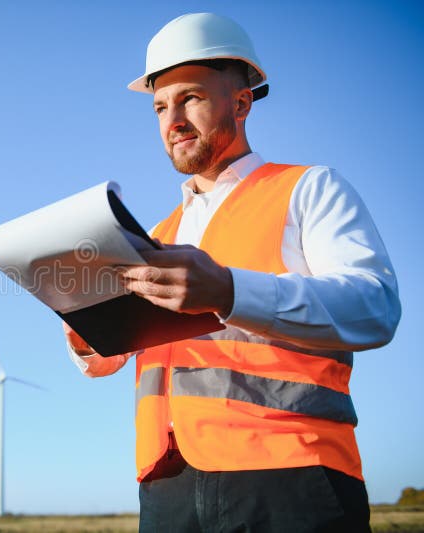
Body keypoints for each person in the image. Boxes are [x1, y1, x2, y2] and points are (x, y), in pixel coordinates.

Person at [63, 12, 401, 532]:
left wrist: (229, 290)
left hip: (289, 472)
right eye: (159, 106)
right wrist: (86, 330)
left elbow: (374, 307)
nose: (172, 120)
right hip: (166, 484)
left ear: (240, 102)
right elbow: (123, 353)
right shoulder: (154, 234)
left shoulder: (308, 189)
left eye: (190, 98)